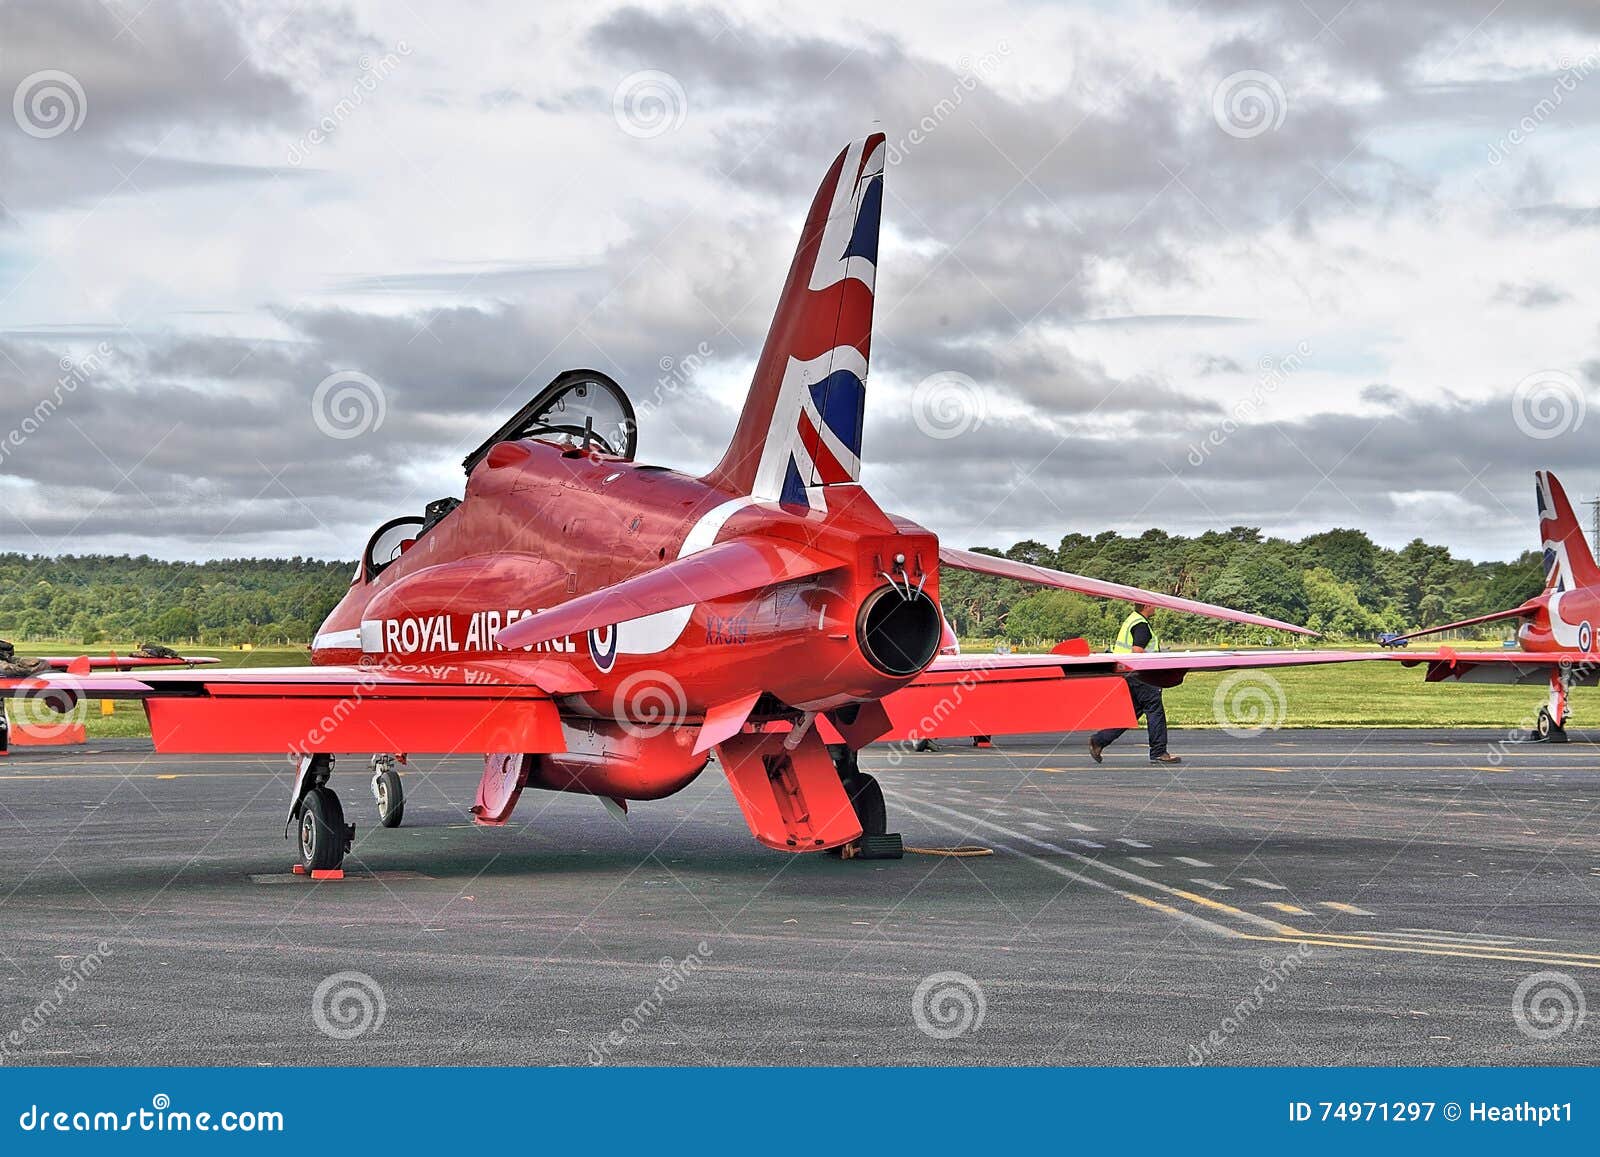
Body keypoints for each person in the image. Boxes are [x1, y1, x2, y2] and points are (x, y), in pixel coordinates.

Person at [1088, 602, 1182, 765]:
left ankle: (1099, 740)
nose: (1155, 607)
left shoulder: (1131, 620)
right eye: (1153, 605)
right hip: (1141, 675)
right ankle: (1159, 752)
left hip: (1128, 673)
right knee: (1155, 709)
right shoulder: (1141, 626)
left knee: (1133, 712)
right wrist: (1157, 662)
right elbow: (1137, 651)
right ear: (1145, 606)